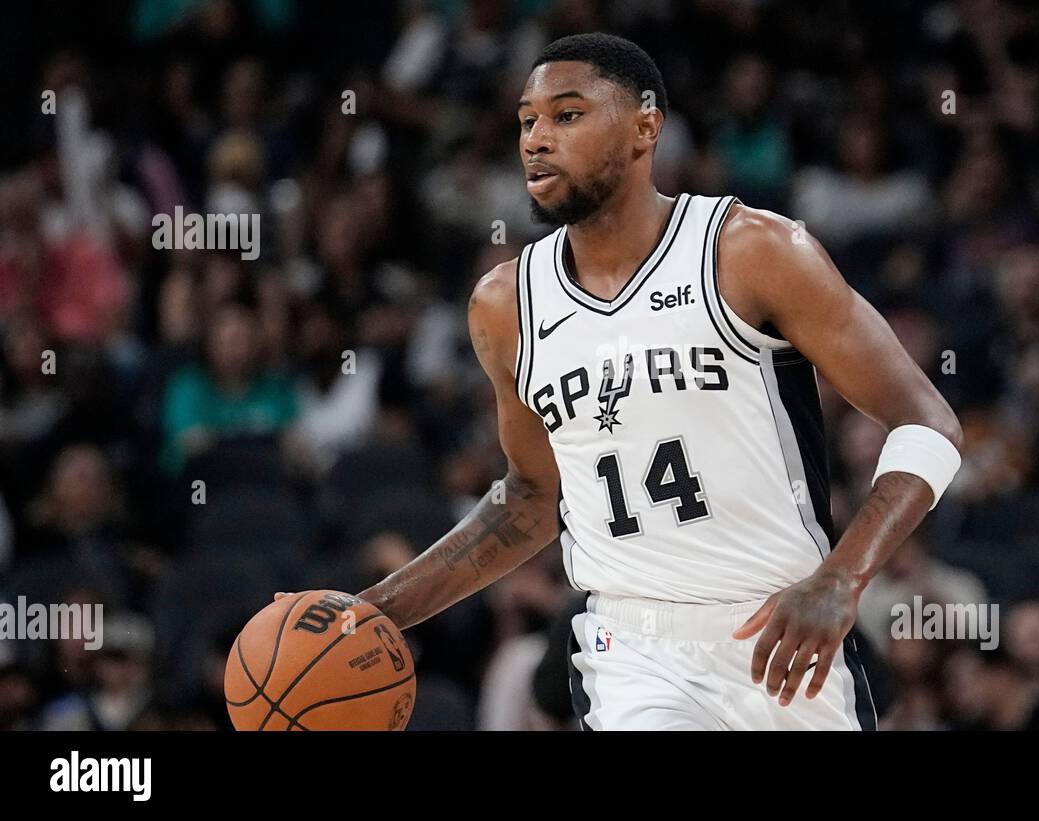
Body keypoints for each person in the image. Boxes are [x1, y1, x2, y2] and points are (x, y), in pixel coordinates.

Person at [283, 33, 962, 730]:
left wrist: (841, 578)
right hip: (631, 651)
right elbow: (532, 497)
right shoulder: (506, 305)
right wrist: (378, 607)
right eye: (526, 121)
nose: (537, 139)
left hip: (782, 630)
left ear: (645, 126)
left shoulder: (752, 251)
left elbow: (929, 424)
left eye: (567, 115)